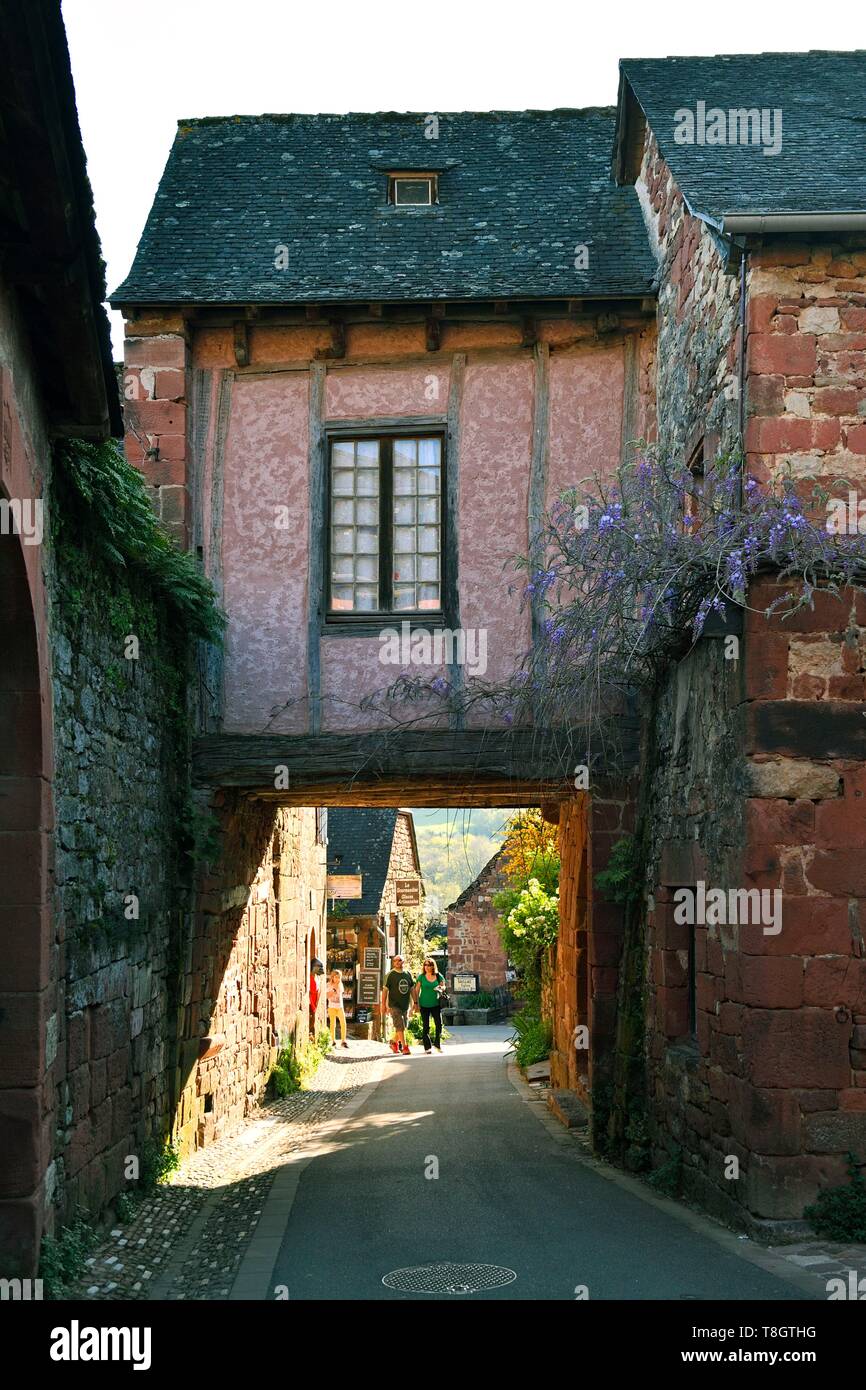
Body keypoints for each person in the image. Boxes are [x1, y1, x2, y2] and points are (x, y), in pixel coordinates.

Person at [382, 954, 414, 1054]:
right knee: (400, 1026)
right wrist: (383, 1005)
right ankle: (405, 1047)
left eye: (399, 960)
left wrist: (415, 1003)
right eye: (395, 961)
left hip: (405, 1005)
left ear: (403, 962)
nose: (396, 962)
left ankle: (393, 1043)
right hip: (394, 1005)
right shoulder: (390, 974)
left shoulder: (407, 974)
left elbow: (412, 989)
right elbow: (385, 991)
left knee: (403, 1027)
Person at [414, 956, 446, 1054]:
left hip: (436, 1004)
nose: (427, 967)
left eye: (430, 965)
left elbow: (443, 986)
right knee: (426, 1026)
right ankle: (427, 1047)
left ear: (433, 966)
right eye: (426, 965)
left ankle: (437, 1044)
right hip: (424, 1004)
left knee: (439, 1025)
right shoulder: (421, 977)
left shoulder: (438, 975)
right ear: (424, 966)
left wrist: (440, 987)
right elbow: (416, 991)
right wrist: (416, 1004)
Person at [326, 969, 349, 1048]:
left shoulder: (340, 985)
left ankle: (343, 1041)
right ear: (332, 977)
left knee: (343, 1023)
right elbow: (327, 996)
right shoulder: (328, 985)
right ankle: (333, 1041)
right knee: (333, 1024)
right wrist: (332, 991)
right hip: (331, 1007)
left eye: (339, 977)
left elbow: (340, 993)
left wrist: (337, 987)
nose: (337, 979)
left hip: (340, 1007)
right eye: (336, 977)